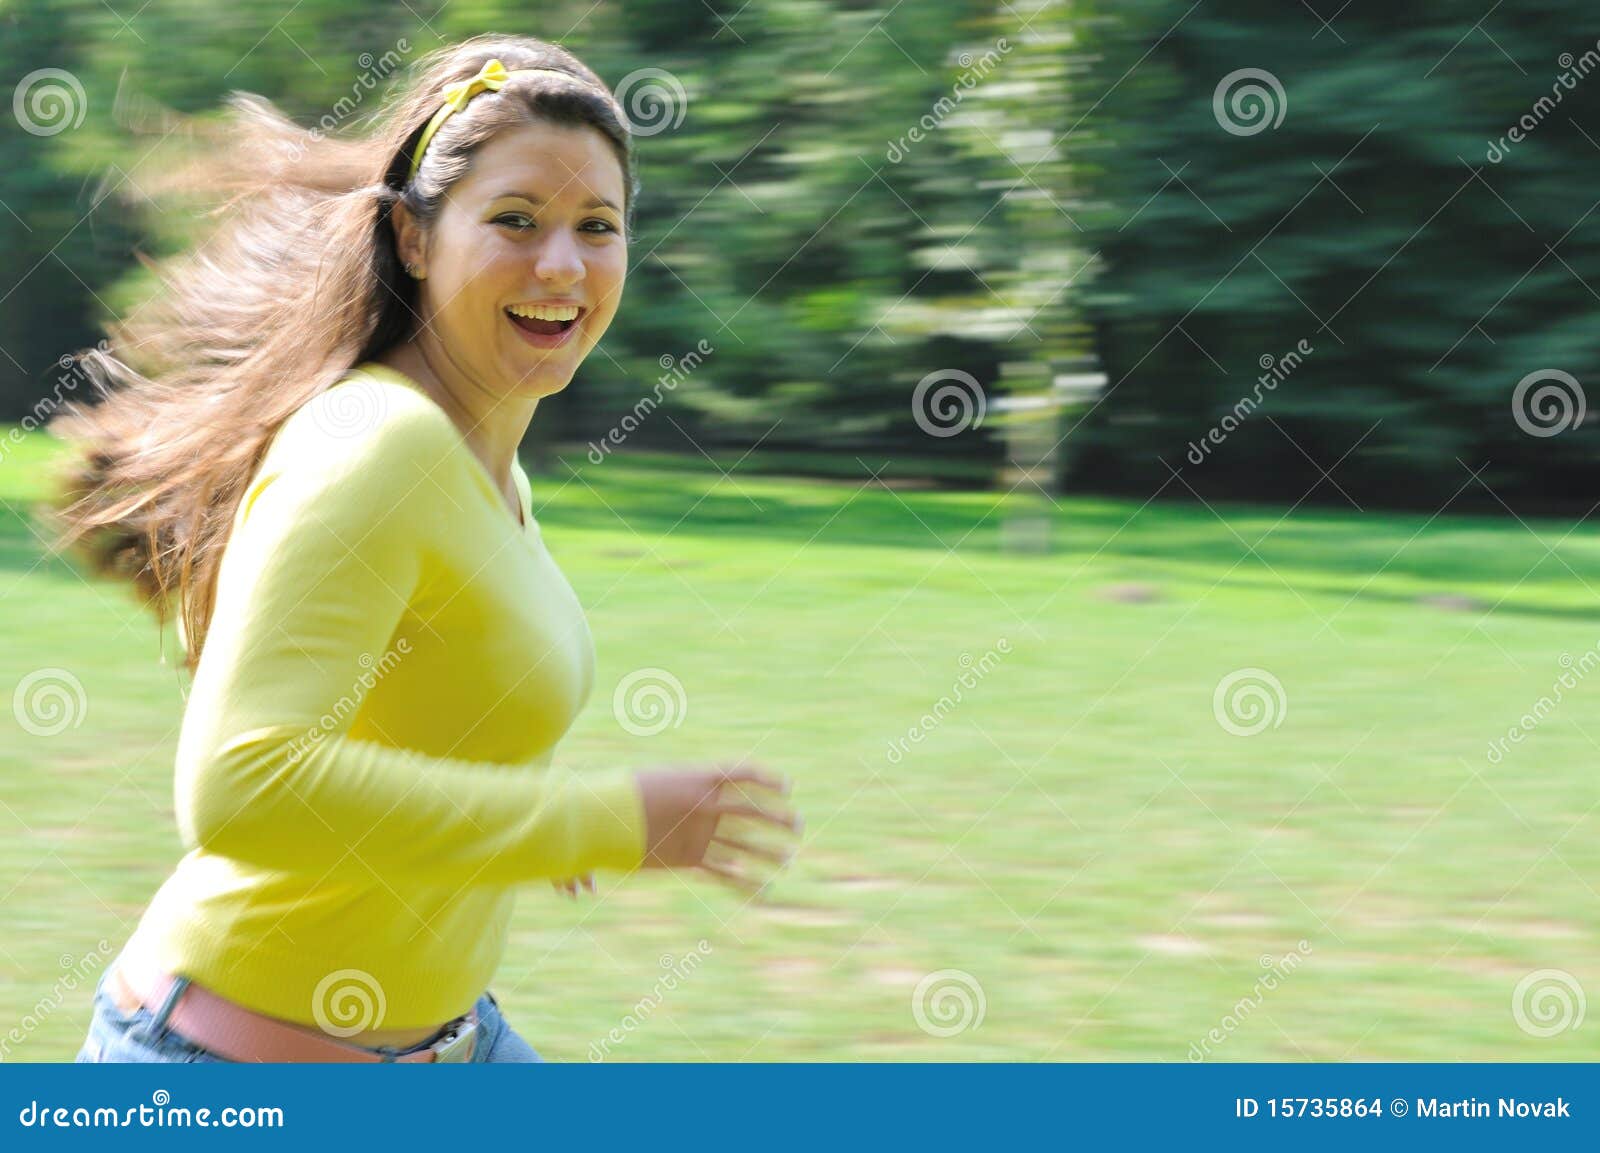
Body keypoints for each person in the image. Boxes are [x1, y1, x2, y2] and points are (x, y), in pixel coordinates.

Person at [46, 33, 799, 1064]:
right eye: (515, 220)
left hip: (453, 1044)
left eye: (598, 226)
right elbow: (239, 786)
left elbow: (423, 706)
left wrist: (520, 818)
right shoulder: (377, 442)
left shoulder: (488, 465)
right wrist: (587, 819)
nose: (563, 264)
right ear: (412, 236)